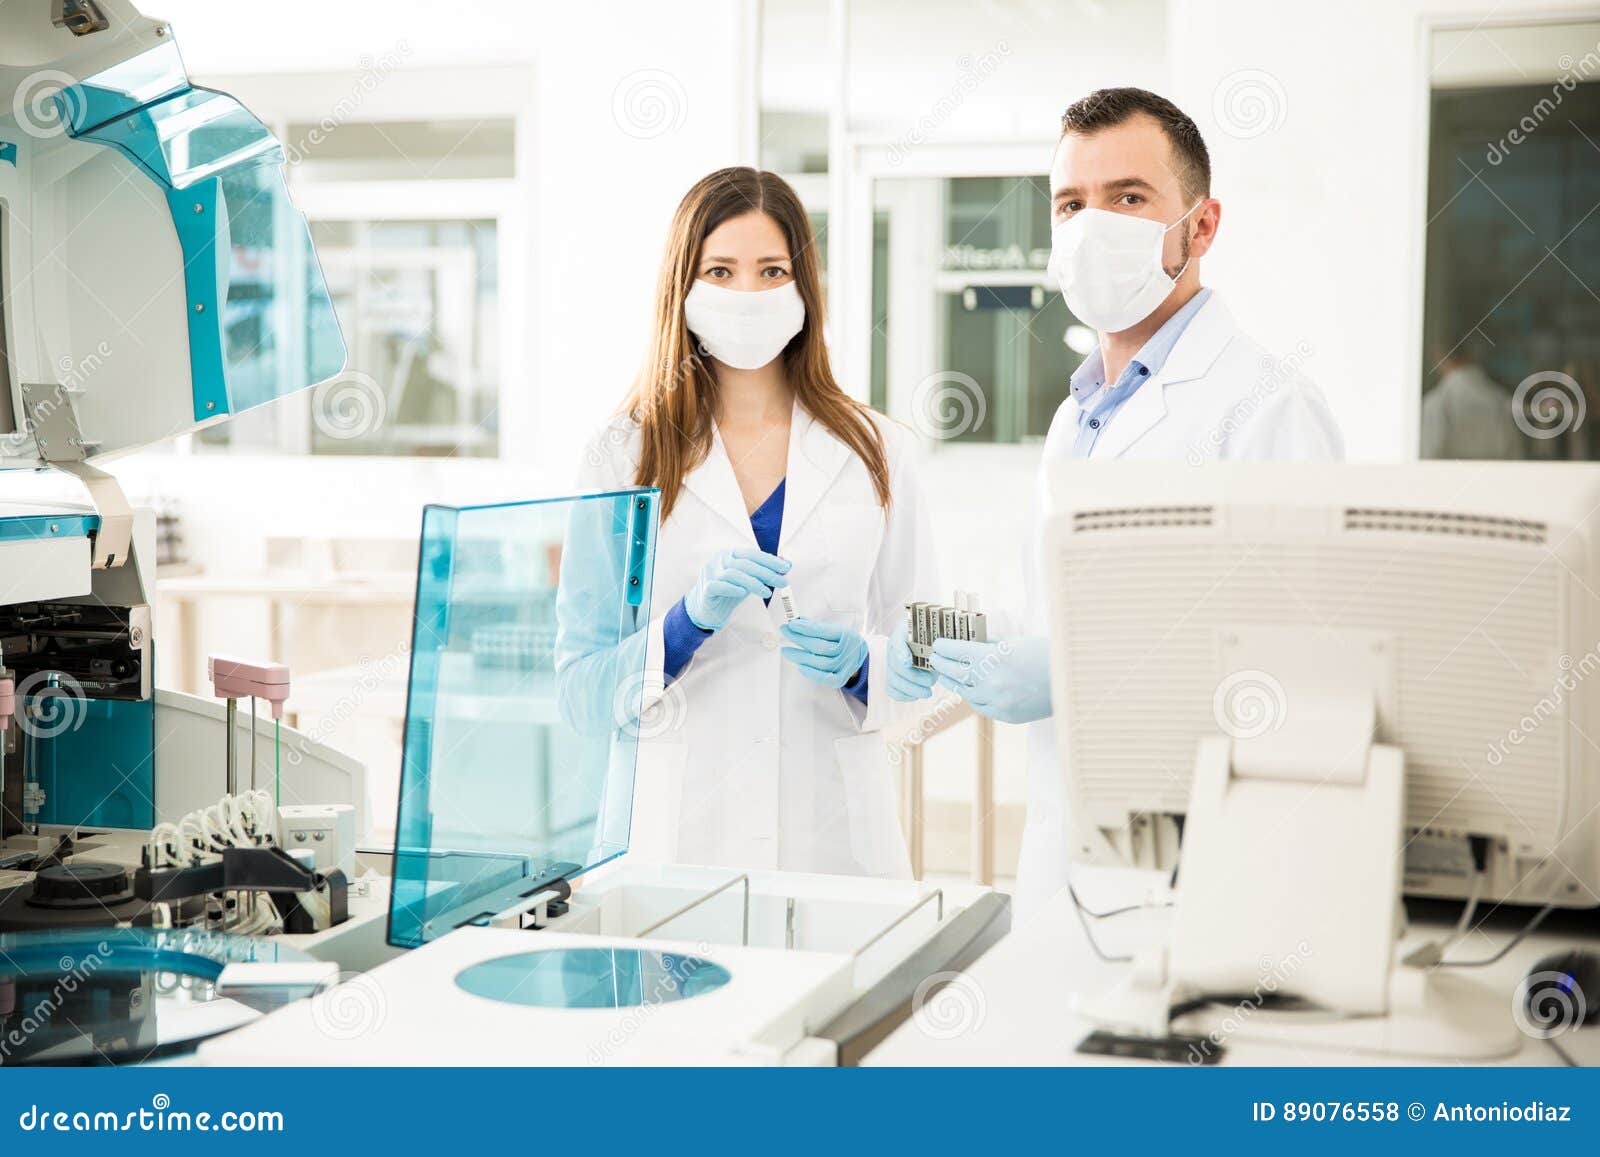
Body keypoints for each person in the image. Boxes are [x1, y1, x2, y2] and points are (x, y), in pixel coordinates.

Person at [886, 88, 1345, 917]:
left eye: (1128, 198)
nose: (1091, 226)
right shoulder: (1079, 417)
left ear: (1201, 226)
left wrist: (1070, 671)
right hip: (1070, 850)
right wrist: (953, 650)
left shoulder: (1270, 405)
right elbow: (1070, 609)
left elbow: (1298, 670)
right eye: (1070, 204)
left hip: (1206, 866)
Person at [571, 166, 936, 878]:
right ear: (683, 286)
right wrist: (682, 627)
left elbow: (930, 651)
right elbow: (581, 687)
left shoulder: (878, 450)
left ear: (805, 289)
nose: (749, 295)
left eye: (773, 270)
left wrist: (870, 667)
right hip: (674, 845)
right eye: (721, 270)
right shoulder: (623, 454)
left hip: (833, 839)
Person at [1421, 344, 1522, 460]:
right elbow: (1514, 453)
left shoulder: (1436, 402)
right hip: (1497, 476)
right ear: (1471, 357)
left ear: (1439, 359)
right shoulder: (1500, 399)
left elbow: (1431, 455)